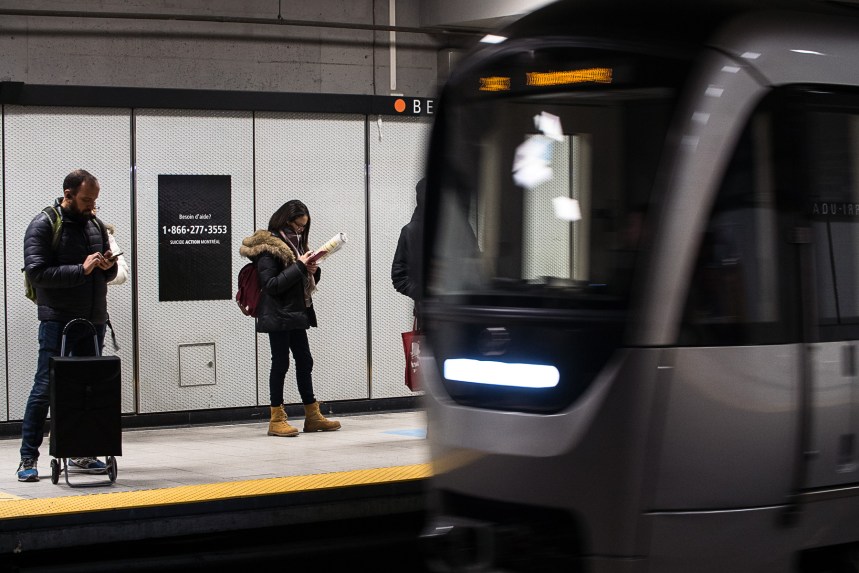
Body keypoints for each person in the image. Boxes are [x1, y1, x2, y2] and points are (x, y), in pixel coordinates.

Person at [18, 169, 118, 482]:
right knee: (46, 387)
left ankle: (82, 453)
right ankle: (27, 458)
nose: (92, 207)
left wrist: (108, 267)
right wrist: (81, 268)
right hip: (57, 319)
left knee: (87, 390)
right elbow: (37, 273)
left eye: (95, 202)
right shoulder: (43, 224)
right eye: (87, 200)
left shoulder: (96, 225)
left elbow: (106, 276)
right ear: (68, 193)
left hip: (93, 319)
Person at [239, 199, 341, 437]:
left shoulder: (295, 244)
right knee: (280, 363)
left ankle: (312, 415)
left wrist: (312, 269)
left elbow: (297, 280)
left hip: (295, 312)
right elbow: (271, 285)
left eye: (304, 227)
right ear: (286, 221)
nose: (301, 230)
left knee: (305, 361)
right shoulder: (269, 247)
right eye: (298, 226)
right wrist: (299, 266)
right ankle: (276, 418)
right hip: (277, 314)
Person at [392, 178, 426, 327]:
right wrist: (424, 292)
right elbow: (399, 277)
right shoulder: (411, 231)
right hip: (428, 317)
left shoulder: (460, 229)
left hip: (462, 314)